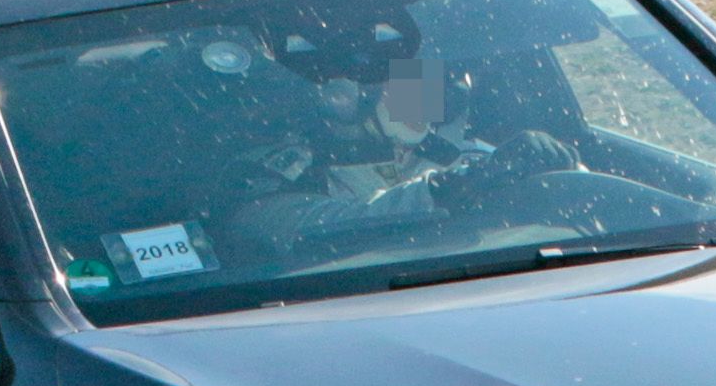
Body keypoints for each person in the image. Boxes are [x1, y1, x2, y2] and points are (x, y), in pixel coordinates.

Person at [222, 26, 576, 262]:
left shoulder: (461, 157)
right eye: (406, 78)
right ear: (339, 97)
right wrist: (445, 191)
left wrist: (557, 165)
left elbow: (579, 201)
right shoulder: (273, 175)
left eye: (426, 74)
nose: (427, 90)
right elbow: (323, 228)